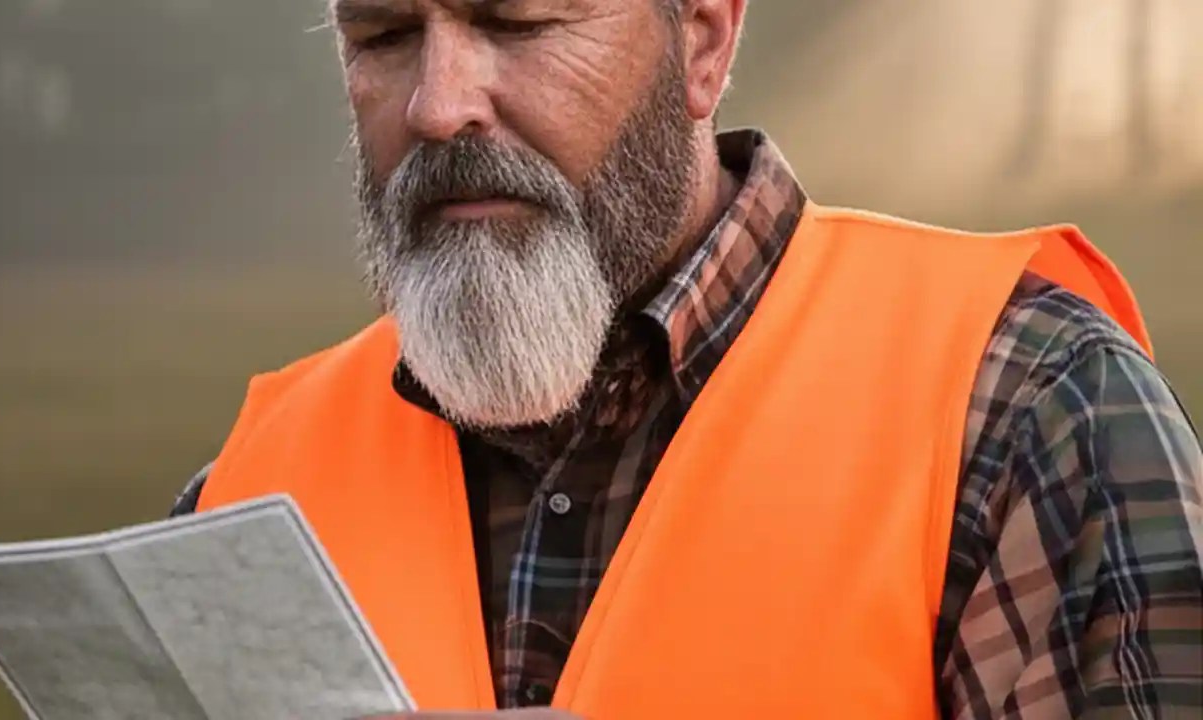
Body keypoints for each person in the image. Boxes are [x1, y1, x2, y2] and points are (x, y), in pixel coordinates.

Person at [171, 0, 1203, 717]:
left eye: (517, 24)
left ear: (702, 42)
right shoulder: (251, 489)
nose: (437, 107)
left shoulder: (1025, 407)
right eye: (386, 35)